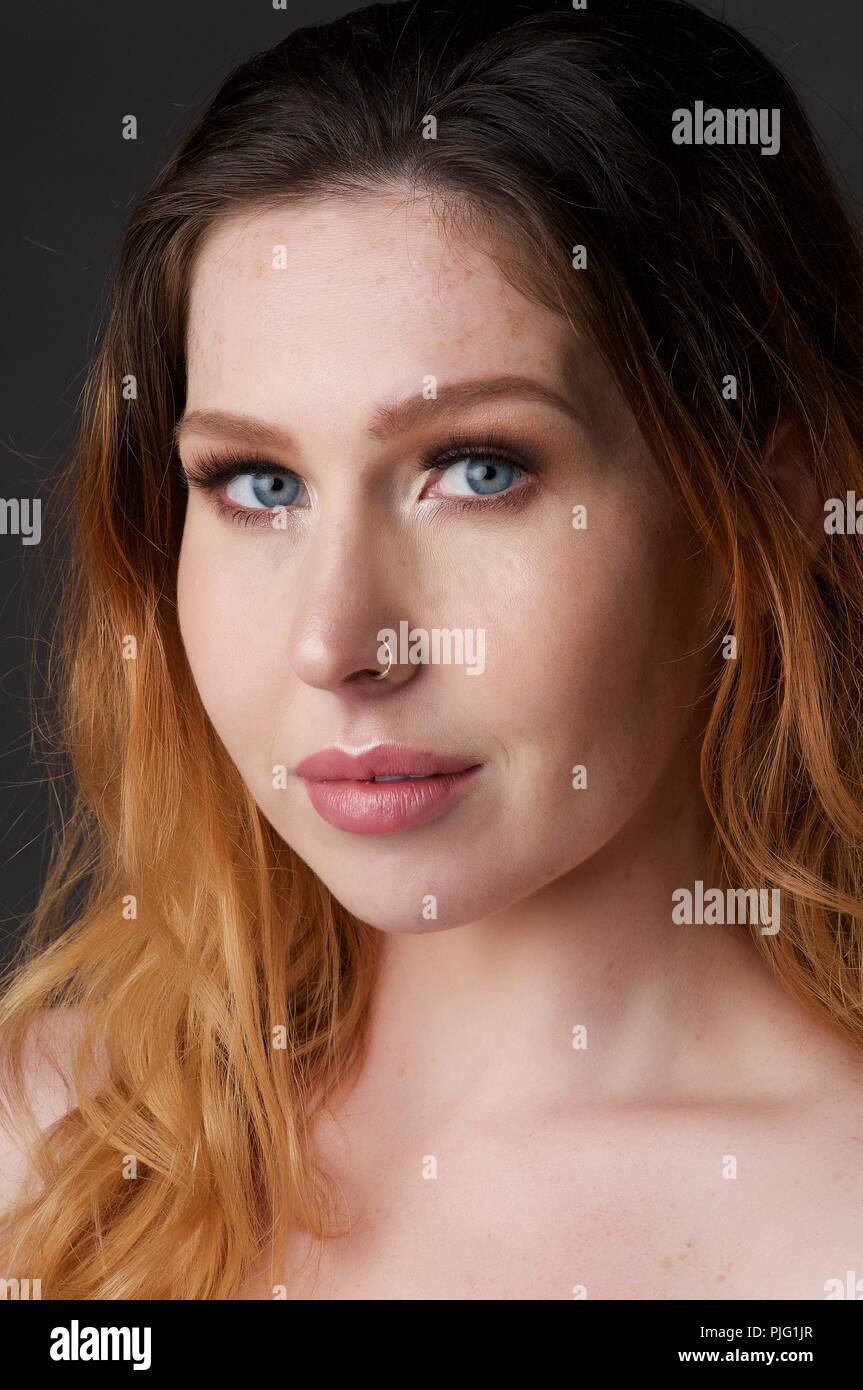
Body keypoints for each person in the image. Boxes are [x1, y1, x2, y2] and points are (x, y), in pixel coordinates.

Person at [2, 0, 862, 1300]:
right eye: (257, 483)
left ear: (764, 504)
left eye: (475, 468)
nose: (337, 640)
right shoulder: (44, 1148)